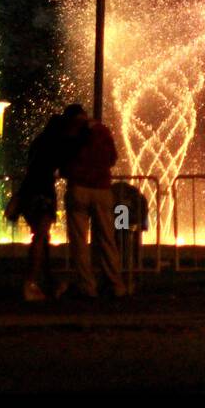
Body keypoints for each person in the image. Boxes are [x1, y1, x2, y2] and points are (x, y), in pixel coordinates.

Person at [61, 104, 126, 299]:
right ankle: (115, 284)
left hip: (79, 188)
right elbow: (113, 157)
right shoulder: (102, 130)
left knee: (79, 242)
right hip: (102, 189)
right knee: (107, 239)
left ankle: (87, 286)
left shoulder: (71, 130)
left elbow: (64, 159)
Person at [14, 114, 72, 301]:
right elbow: (63, 169)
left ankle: (47, 281)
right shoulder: (55, 145)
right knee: (40, 237)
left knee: (42, 238)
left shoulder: (39, 142)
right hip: (42, 194)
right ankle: (30, 282)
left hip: (28, 192)